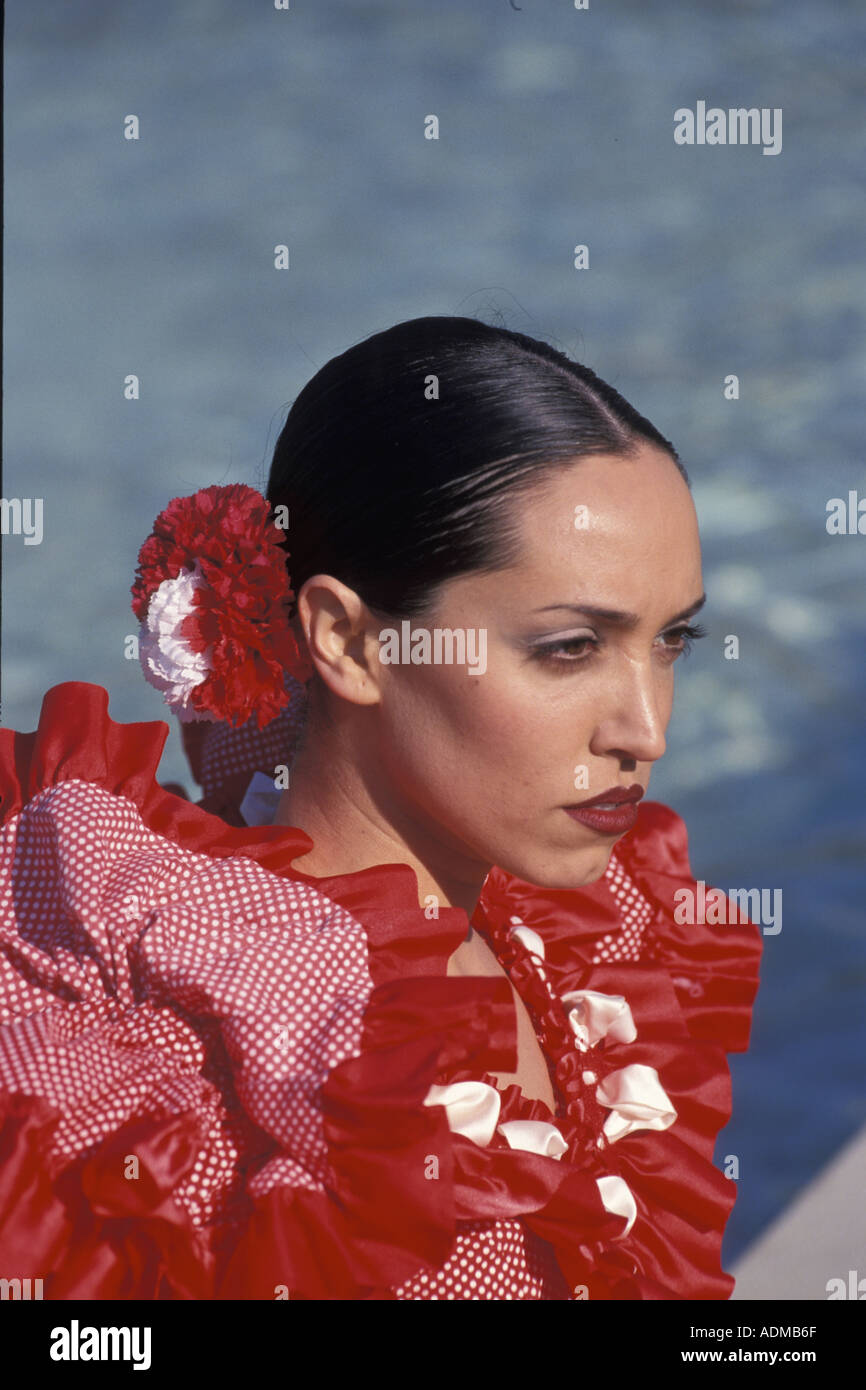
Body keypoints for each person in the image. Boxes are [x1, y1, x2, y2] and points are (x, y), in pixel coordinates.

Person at [0, 316, 762, 1300]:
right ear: (350, 643)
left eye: (670, 641)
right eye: (569, 647)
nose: (645, 729)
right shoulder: (158, 1078)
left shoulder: (584, 936)